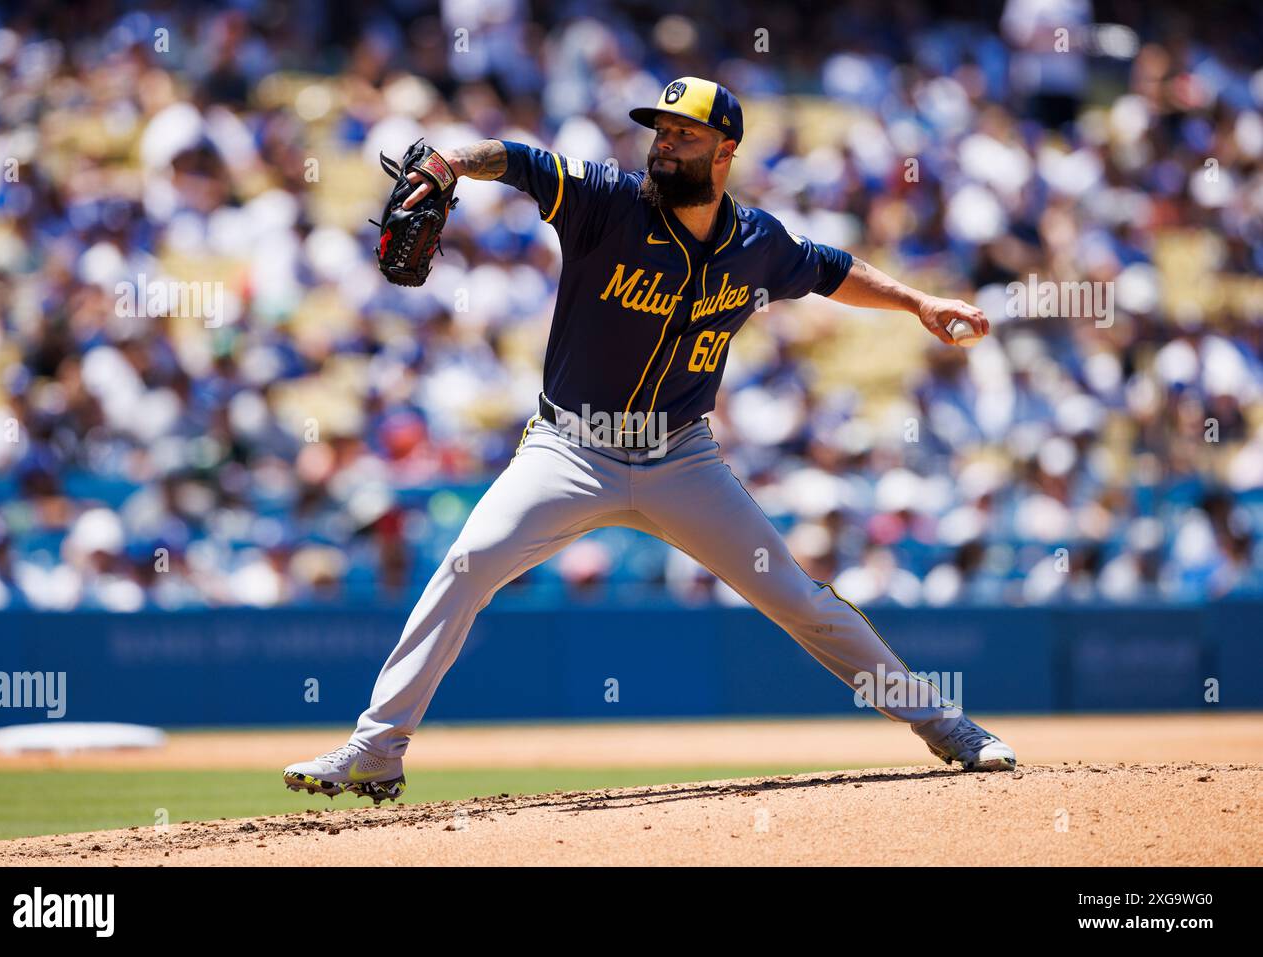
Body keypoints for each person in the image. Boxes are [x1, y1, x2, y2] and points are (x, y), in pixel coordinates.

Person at [284, 77, 1015, 804]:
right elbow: (516, 158)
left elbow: (831, 270)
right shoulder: (607, 202)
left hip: (682, 459)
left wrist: (918, 301)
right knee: (466, 566)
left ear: (724, 150)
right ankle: (376, 749)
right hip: (569, 449)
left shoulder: (756, 241)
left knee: (798, 598)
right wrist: (448, 163)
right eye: (659, 131)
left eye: (684, 134)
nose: (664, 145)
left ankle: (948, 726)